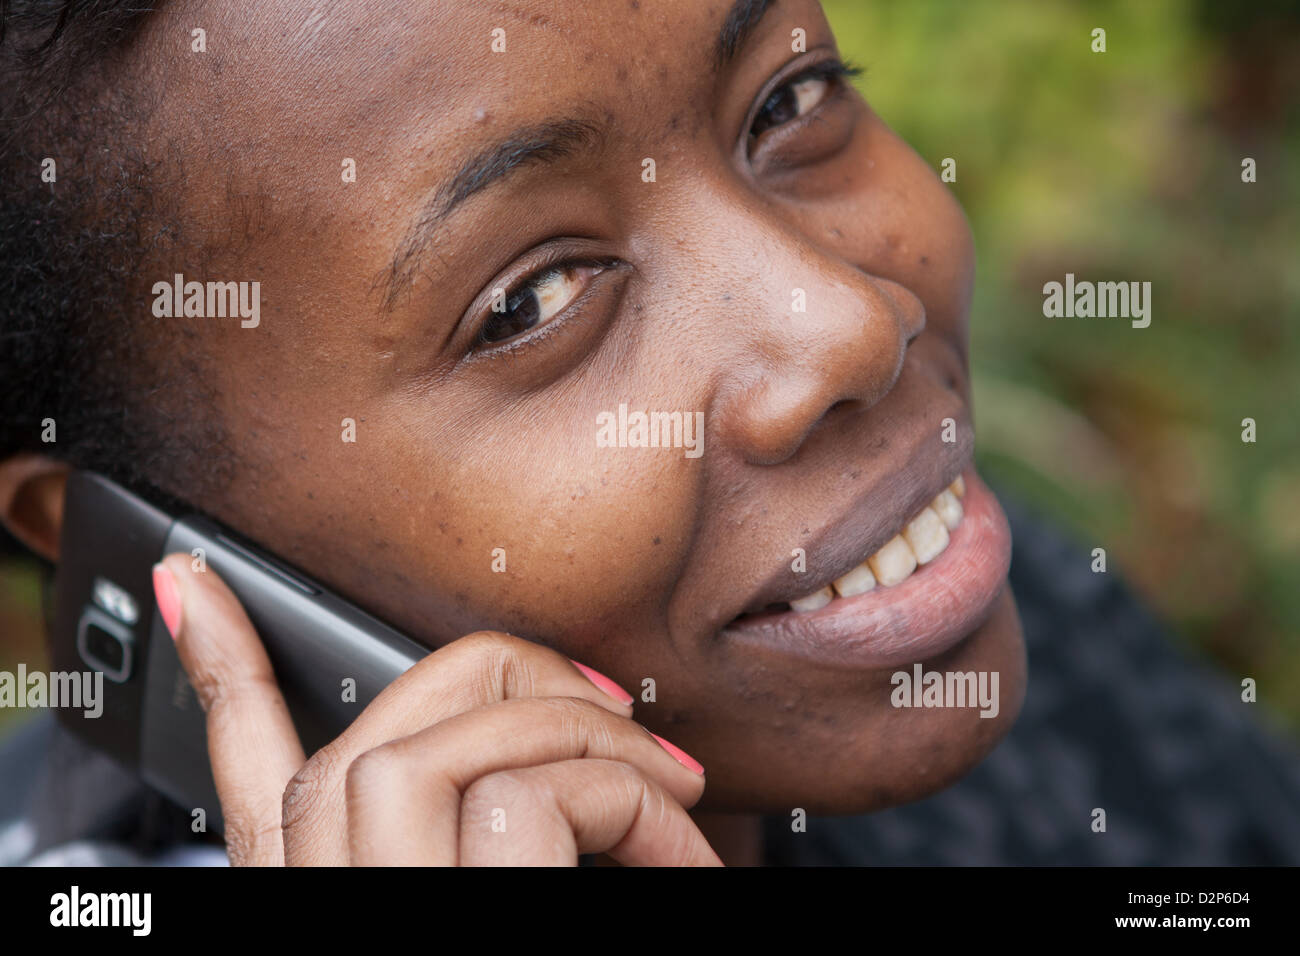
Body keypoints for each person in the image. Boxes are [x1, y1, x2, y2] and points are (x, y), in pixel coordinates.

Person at [2, 0, 1296, 866]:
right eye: (531, 300)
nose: (851, 325)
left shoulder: (965, 611)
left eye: (787, 100)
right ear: (156, 551)